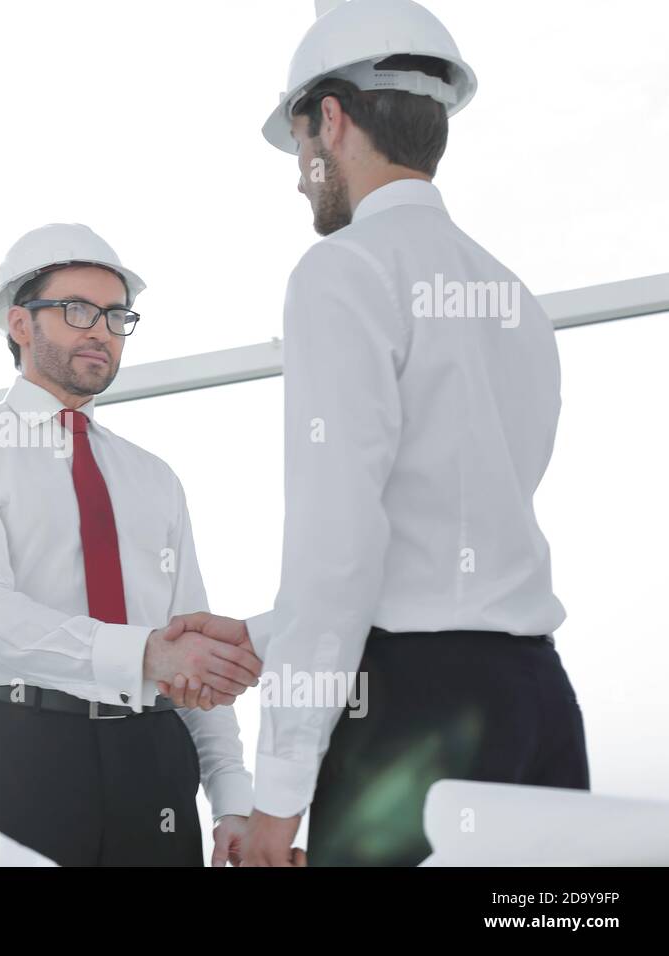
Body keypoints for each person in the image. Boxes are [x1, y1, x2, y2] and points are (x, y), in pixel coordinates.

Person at [175, 0, 588, 866]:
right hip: (539, 703)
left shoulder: (343, 271)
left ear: (332, 119)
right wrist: (273, 629)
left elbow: (343, 552)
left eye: (299, 147)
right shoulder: (517, 299)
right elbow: (443, 535)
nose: (299, 175)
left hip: (412, 720)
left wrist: (278, 806)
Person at [0, 223, 267, 866]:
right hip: (18, 753)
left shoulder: (154, 477)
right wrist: (145, 655)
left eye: (114, 315)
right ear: (20, 324)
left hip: (152, 756)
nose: (100, 330)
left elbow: (190, 643)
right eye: (77, 311)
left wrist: (232, 800)